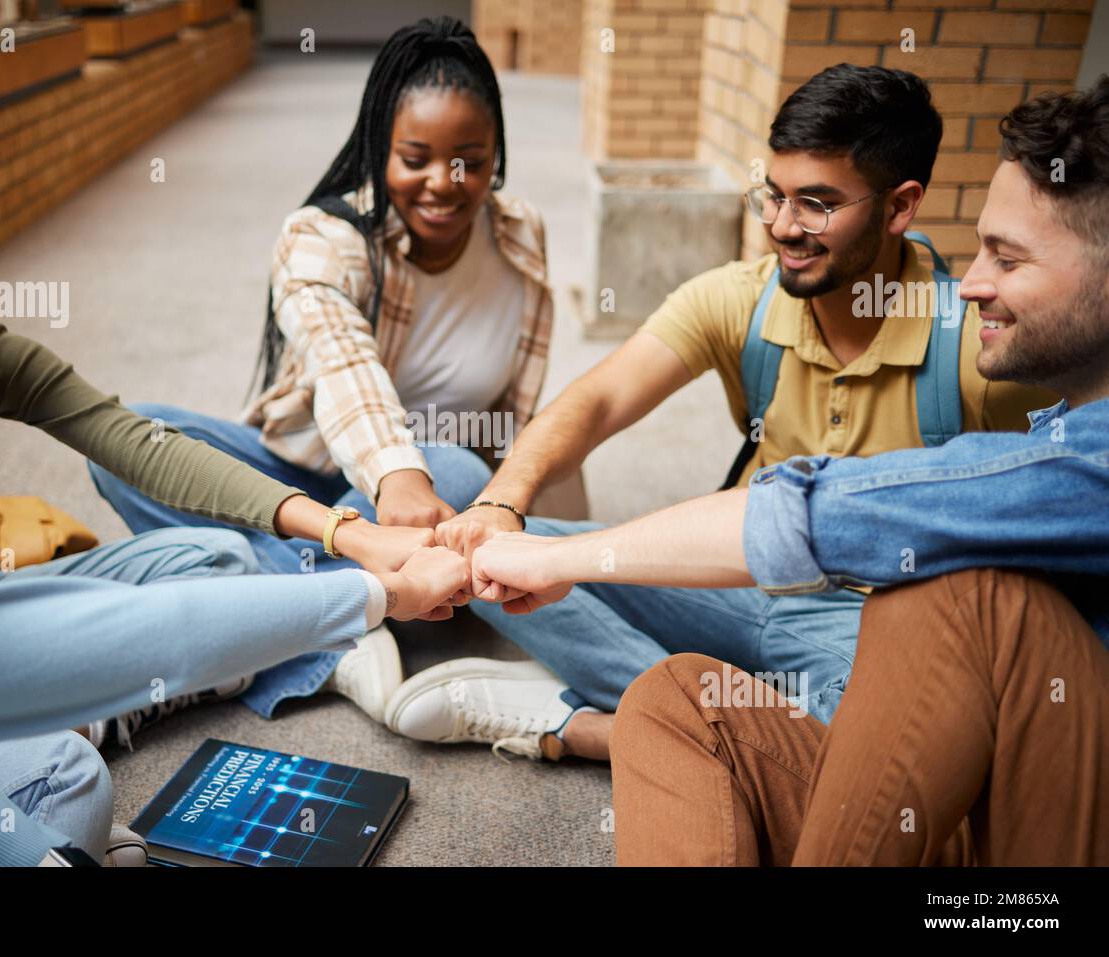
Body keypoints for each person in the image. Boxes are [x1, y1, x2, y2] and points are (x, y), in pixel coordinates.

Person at [468, 78, 1109, 865]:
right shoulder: (742, 301)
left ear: (899, 207)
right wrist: (505, 510)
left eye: (815, 203)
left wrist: (556, 560)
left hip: (870, 632)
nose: (780, 225)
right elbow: (599, 399)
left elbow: (835, 519)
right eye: (771, 195)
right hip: (741, 588)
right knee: (663, 693)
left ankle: (610, 725)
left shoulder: (978, 351)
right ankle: (647, 715)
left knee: (945, 595)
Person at [0, 220, 470, 866]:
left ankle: (115, 706)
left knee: (70, 759)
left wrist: (42, 857)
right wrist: (382, 591)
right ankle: (209, 675)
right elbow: (145, 633)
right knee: (84, 713)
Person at [0, 114, 442, 750]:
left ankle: (111, 696)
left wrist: (345, 533)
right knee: (62, 779)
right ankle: (117, 699)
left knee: (218, 558)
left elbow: (139, 445)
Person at [90, 15, 555, 725]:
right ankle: (333, 626)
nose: (443, 182)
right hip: (313, 477)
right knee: (126, 441)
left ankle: (262, 610)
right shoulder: (324, 236)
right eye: (415, 157)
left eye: (469, 159)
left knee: (458, 468)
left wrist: (507, 513)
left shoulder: (521, 236)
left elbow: (514, 413)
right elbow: (345, 364)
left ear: (497, 156)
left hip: (423, 514)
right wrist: (396, 472)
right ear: (380, 151)